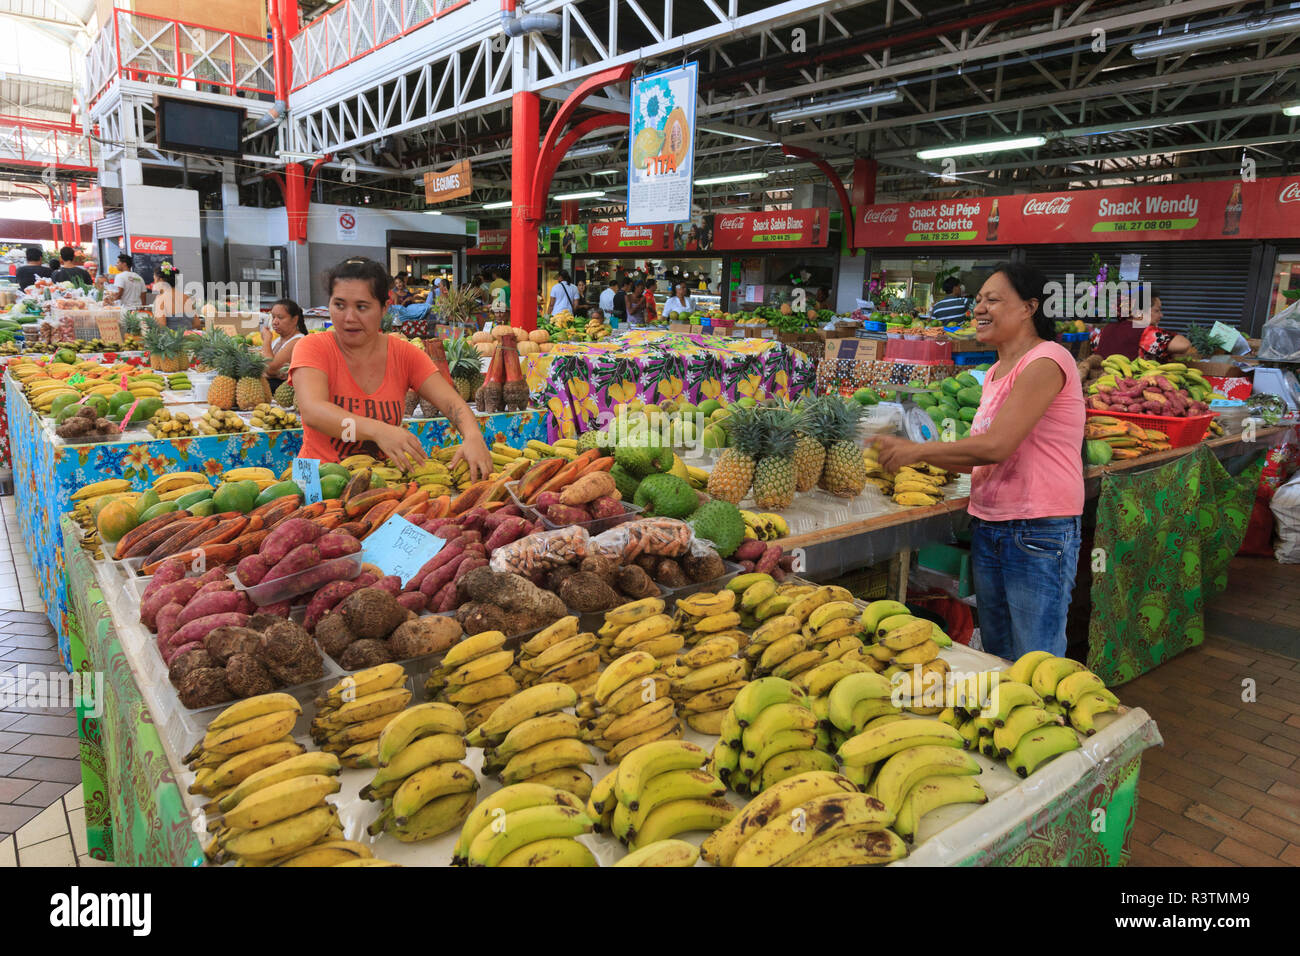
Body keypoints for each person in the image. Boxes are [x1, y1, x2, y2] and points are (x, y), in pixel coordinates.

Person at [872, 263, 1084, 659]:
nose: (980, 309)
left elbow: (996, 446)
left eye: (993, 299)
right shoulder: (993, 374)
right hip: (991, 524)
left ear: (1029, 307)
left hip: (1037, 529)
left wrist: (917, 451)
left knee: (1035, 657)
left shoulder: (1047, 360)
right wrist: (910, 452)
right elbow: (976, 458)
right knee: (999, 652)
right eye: (978, 300)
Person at [289, 256, 494, 471]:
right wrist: (377, 430)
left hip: (382, 483)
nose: (348, 317)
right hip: (316, 481)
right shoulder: (313, 347)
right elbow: (313, 412)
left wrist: (472, 436)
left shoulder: (405, 355)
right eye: (339, 305)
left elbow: (452, 403)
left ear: (385, 307)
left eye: (362, 307)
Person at [1094, 288, 1191, 361]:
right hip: (1129, 384)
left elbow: (1095, 347)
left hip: (1100, 382)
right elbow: (1184, 344)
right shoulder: (1145, 332)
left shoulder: (1105, 329)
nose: (1161, 315)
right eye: (1157, 310)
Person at [261, 298, 307, 395]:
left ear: (294, 320)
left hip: (284, 392)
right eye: (273, 317)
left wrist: (266, 340)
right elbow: (260, 367)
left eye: (280, 317)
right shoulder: (277, 341)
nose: (274, 322)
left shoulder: (298, 341)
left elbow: (270, 369)